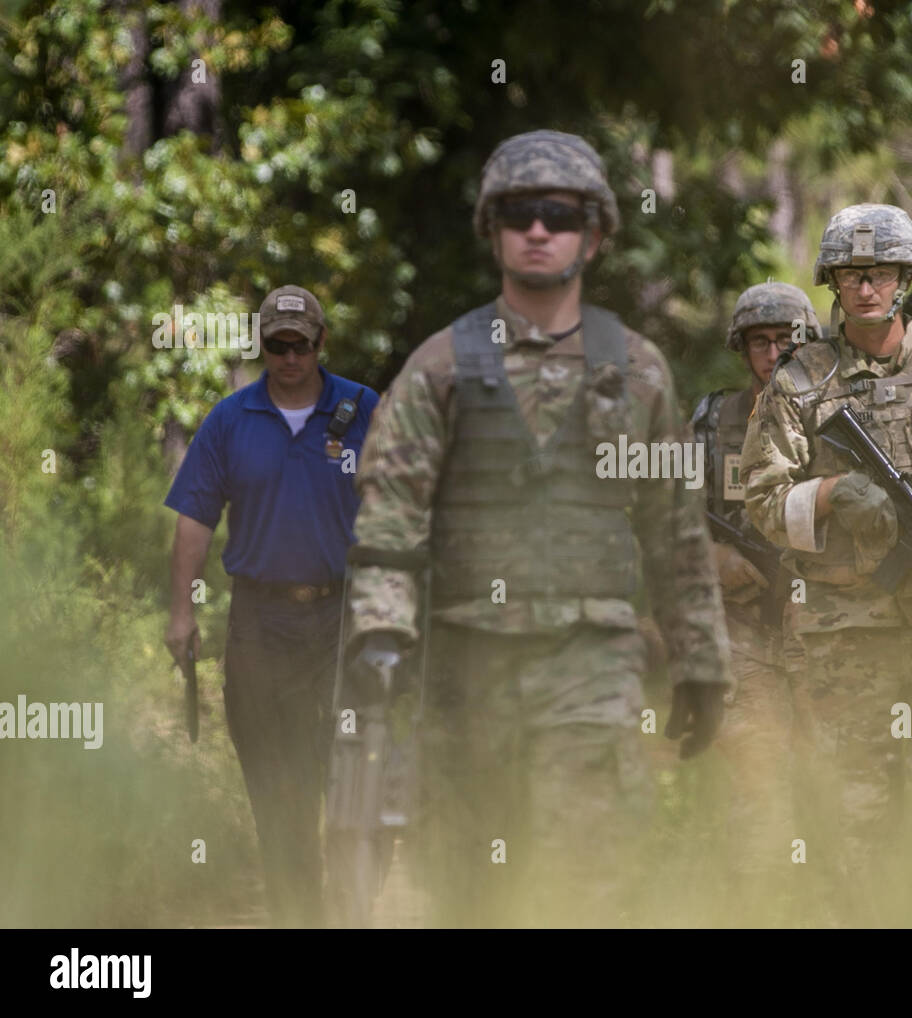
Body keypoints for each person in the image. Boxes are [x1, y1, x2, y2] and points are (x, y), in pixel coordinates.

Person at [345, 130, 731, 927]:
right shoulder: (440, 367)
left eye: (559, 214)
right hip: (465, 666)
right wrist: (380, 633)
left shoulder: (638, 371)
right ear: (492, 230)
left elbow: (675, 533)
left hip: (589, 660)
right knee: (468, 888)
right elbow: (389, 514)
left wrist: (700, 660)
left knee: (588, 874)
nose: (537, 229)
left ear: (594, 235)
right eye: (518, 213)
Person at [740, 203, 912, 923]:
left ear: (907, 277)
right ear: (832, 283)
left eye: (881, 274)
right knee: (858, 826)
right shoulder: (797, 384)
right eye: (850, 275)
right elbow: (762, 502)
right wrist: (831, 493)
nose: (866, 288)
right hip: (844, 643)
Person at [164, 284, 379, 927]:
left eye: (301, 345)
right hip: (259, 623)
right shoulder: (230, 420)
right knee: (276, 785)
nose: (289, 358)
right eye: (278, 345)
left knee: (345, 777)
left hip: (342, 619)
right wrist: (182, 613)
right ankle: (297, 911)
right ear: (261, 345)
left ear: (321, 343)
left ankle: (347, 909)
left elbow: (404, 502)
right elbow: (195, 520)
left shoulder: (363, 409)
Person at [691, 282, 819, 918]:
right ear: (742, 349)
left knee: (835, 775)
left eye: (786, 341)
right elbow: (670, 520)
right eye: (760, 342)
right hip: (742, 629)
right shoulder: (714, 422)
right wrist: (712, 557)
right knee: (756, 773)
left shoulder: (842, 416)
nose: (773, 354)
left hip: (826, 628)